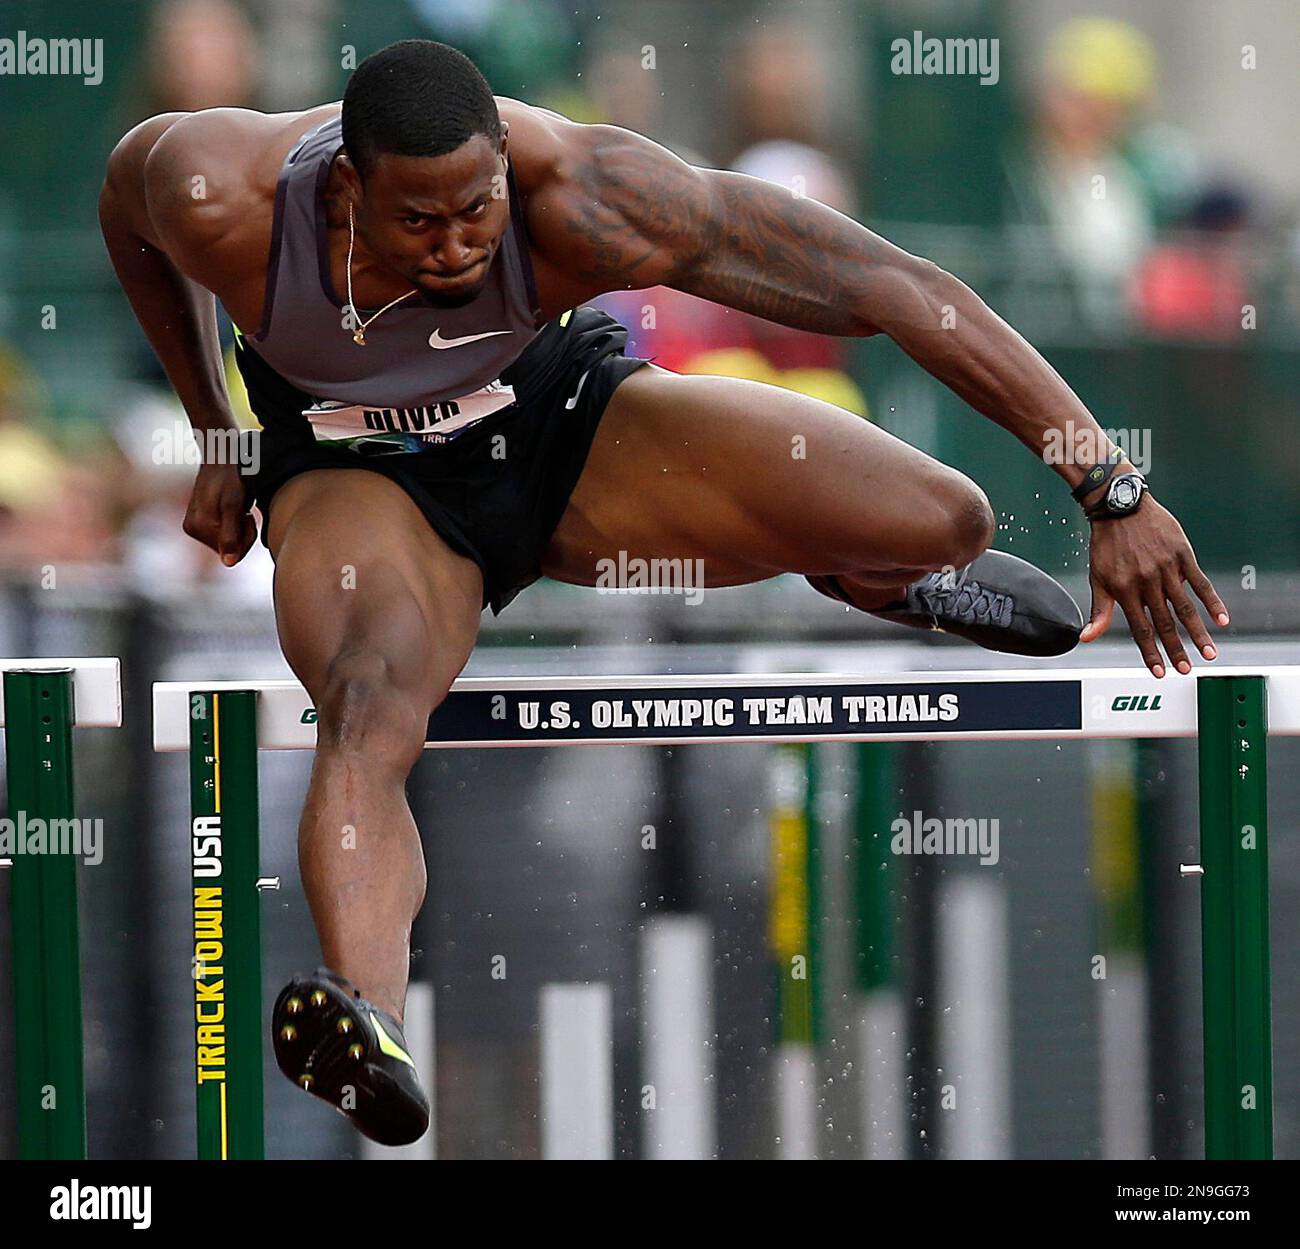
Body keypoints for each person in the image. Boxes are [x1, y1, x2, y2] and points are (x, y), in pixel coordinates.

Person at [99, 40, 1226, 1145]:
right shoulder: (222, 195)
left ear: (507, 168)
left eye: (476, 213)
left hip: (560, 430)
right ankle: (370, 1023)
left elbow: (898, 287)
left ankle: (863, 573)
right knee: (366, 701)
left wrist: (1108, 489)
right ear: (348, 185)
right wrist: (217, 428)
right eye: (417, 224)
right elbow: (126, 214)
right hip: (361, 486)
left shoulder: (594, 195)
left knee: (946, 521)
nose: (452, 249)